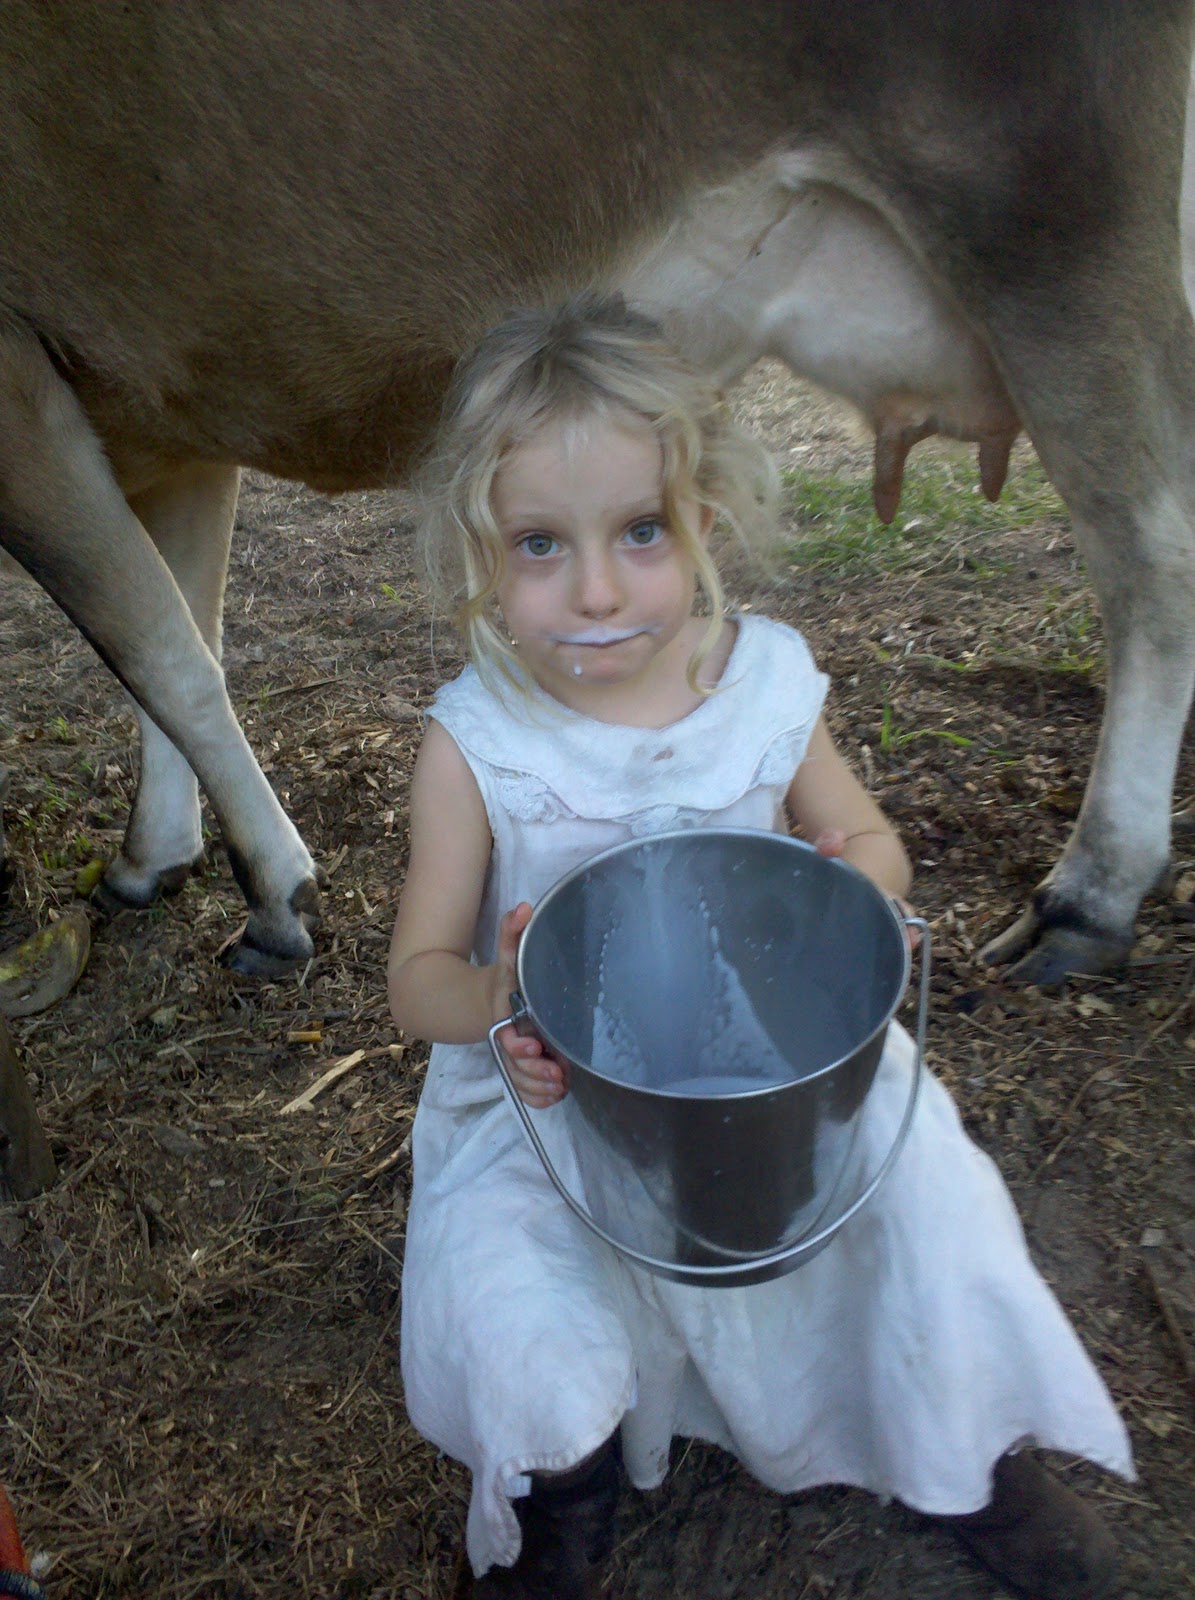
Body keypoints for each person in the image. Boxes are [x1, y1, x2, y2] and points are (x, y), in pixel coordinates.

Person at [388, 296, 1132, 1600]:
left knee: (934, 1204)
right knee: (517, 1311)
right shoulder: (475, 745)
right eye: (541, 547)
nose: (601, 590)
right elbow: (416, 984)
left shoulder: (769, 688)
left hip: (782, 1056)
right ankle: (561, 1503)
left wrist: (839, 880)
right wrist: (505, 1001)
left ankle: (973, 1457)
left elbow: (870, 844)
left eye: (638, 533)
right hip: (557, 1108)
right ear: (481, 562)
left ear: (702, 531)